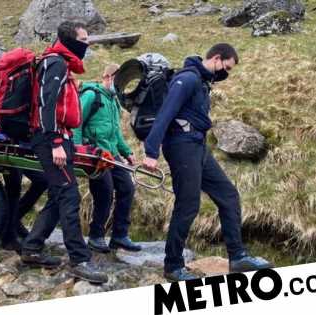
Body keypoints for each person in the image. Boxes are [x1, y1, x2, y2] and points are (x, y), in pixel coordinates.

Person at [141, 43, 272, 281]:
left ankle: (238, 256)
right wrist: (151, 151)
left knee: (228, 195)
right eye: (227, 67)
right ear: (217, 59)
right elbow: (166, 113)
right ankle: (172, 265)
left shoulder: (202, 82)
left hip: (198, 146)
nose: (226, 73)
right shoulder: (188, 79)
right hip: (181, 147)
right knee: (188, 204)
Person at [20, 21, 108, 284]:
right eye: (84, 39)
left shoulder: (60, 62)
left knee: (58, 197)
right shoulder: (56, 63)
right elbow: (47, 104)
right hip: (51, 140)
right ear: (70, 40)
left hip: (59, 137)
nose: (87, 43)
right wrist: (56, 141)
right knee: (69, 197)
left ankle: (32, 248)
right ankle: (79, 260)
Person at [72, 64, 141, 253]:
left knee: (127, 188)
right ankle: (96, 236)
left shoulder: (113, 101)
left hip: (112, 154)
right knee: (104, 192)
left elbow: (116, 132)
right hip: (95, 154)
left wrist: (127, 152)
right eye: (117, 81)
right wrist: (78, 150)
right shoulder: (91, 95)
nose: (119, 86)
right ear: (108, 77)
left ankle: (119, 235)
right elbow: (76, 123)